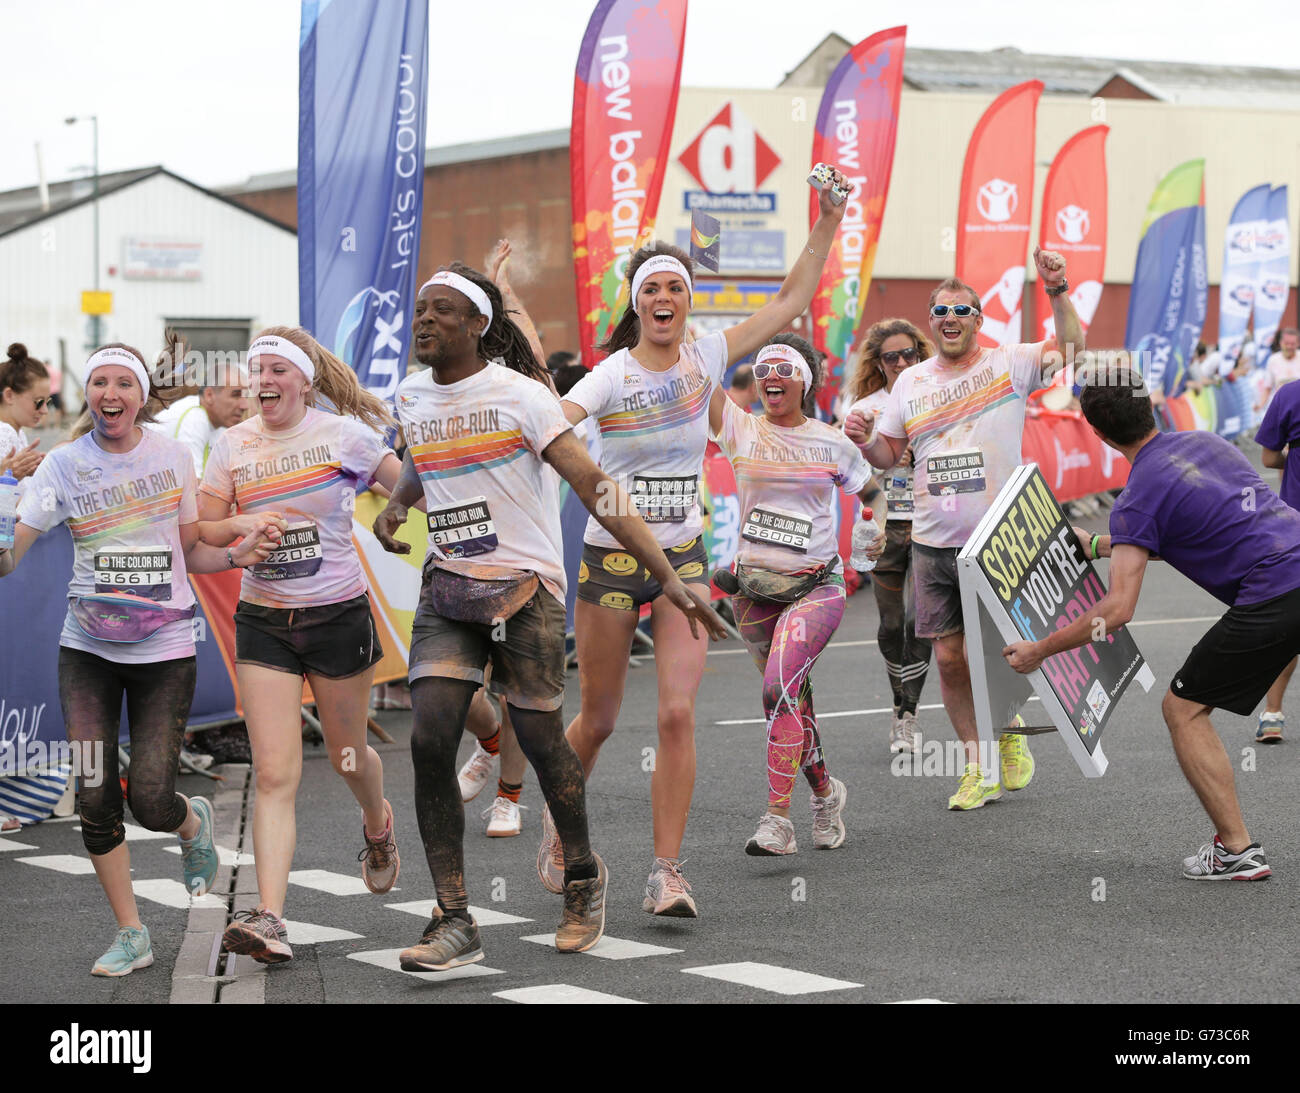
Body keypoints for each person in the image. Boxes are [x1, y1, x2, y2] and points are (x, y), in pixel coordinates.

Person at [374, 261, 726, 971]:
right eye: (420, 310)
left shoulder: (522, 397)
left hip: (526, 585)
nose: (425, 320)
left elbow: (598, 486)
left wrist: (668, 575)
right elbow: (426, 453)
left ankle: (584, 873)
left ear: (478, 324)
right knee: (430, 732)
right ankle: (453, 916)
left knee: (541, 738)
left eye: (443, 310)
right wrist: (399, 501)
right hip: (449, 584)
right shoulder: (411, 395)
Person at [549, 168, 851, 914]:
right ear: (635, 301)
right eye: (652, 289)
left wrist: (827, 217)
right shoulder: (609, 377)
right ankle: (560, 831)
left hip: (682, 558)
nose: (663, 300)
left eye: (676, 289)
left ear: (688, 302)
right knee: (600, 718)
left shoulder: (708, 356)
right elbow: (556, 421)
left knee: (678, 712)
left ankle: (666, 870)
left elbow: (790, 301)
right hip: (612, 558)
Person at [0, 343, 281, 974]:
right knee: (98, 794)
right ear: (89, 397)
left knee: (151, 800)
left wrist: (237, 553)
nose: (109, 393)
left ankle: (191, 823)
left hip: (165, 650)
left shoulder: (173, 455)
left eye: (122, 382)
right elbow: (11, 555)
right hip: (88, 653)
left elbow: (188, 551)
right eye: (98, 382)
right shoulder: (65, 466)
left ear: (140, 395)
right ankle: (133, 932)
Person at [1003, 366, 1300, 880]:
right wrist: (1104, 546)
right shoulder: (1209, 443)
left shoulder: (1137, 498)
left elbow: (1116, 611)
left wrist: (1040, 649)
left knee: (1183, 708)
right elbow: (1200, 524)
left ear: (1096, 434)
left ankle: (1236, 851)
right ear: (1152, 407)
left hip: (1274, 596)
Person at [846, 247, 1085, 810]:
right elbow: (887, 455)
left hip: (1002, 539)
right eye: (941, 312)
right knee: (950, 660)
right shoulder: (910, 384)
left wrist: (1056, 290)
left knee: (1008, 653)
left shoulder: (1011, 362)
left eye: (962, 310)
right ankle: (979, 768)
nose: (950, 319)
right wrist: (863, 439)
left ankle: (1006, 718)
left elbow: (1074, 348)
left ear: (978, 319)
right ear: (932, 323)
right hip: (933, 543)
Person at [198, 326, 405, 965]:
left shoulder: (341, 435)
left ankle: (377, 822)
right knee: (276, 773)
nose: (262, 380)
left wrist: (398, 514)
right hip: (265, 623)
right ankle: (270, 918)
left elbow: (406, 487)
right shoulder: (232, 444)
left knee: (349, 758)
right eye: (255, 369)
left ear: (304, 382)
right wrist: (237, 541)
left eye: (275, 370)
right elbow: (199, 538)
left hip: (338, 617)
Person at [708, 335, 882, 854]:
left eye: (782, 369)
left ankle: (777, 820)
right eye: (762, 369)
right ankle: (826, 794)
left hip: (817, 587)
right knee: (792, 701)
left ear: (804, 380)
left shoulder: (831, 441)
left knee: (777, 689)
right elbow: (692, 371)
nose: (769, 378)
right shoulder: (738, 427)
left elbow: (874, 495)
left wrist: (877, 530)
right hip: (753, 589)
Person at [842, 320, 934, 754]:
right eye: (890, 357)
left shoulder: (935, 396)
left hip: (932, 522)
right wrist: (884, 455)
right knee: (891, 624)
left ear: (920, 354)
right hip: (884, 525)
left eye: (908, 354)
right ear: (878, 363)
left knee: (919, 621)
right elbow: (852, 468)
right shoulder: (864, 407)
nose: (900, 362)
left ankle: (907, 717)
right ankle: (898, 703)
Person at [1253, 372, 1300, 742]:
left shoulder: (1289, 394)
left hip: (1294, 526)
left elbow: (1269, 457)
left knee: (1289, 621)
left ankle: (1272, 713)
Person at [146, 350, 249, 476]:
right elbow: (194, 487)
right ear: (209, 395)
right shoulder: (195, 418)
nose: (245, 405)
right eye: (236, 395)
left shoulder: (219, 425)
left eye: (246, 396)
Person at [0, 343, 49, 482]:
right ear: (9, 395)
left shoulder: (18, 432)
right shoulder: (4, 432)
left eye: (47, 402)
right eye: (39, 402)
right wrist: (5, 477)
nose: (44, 410)